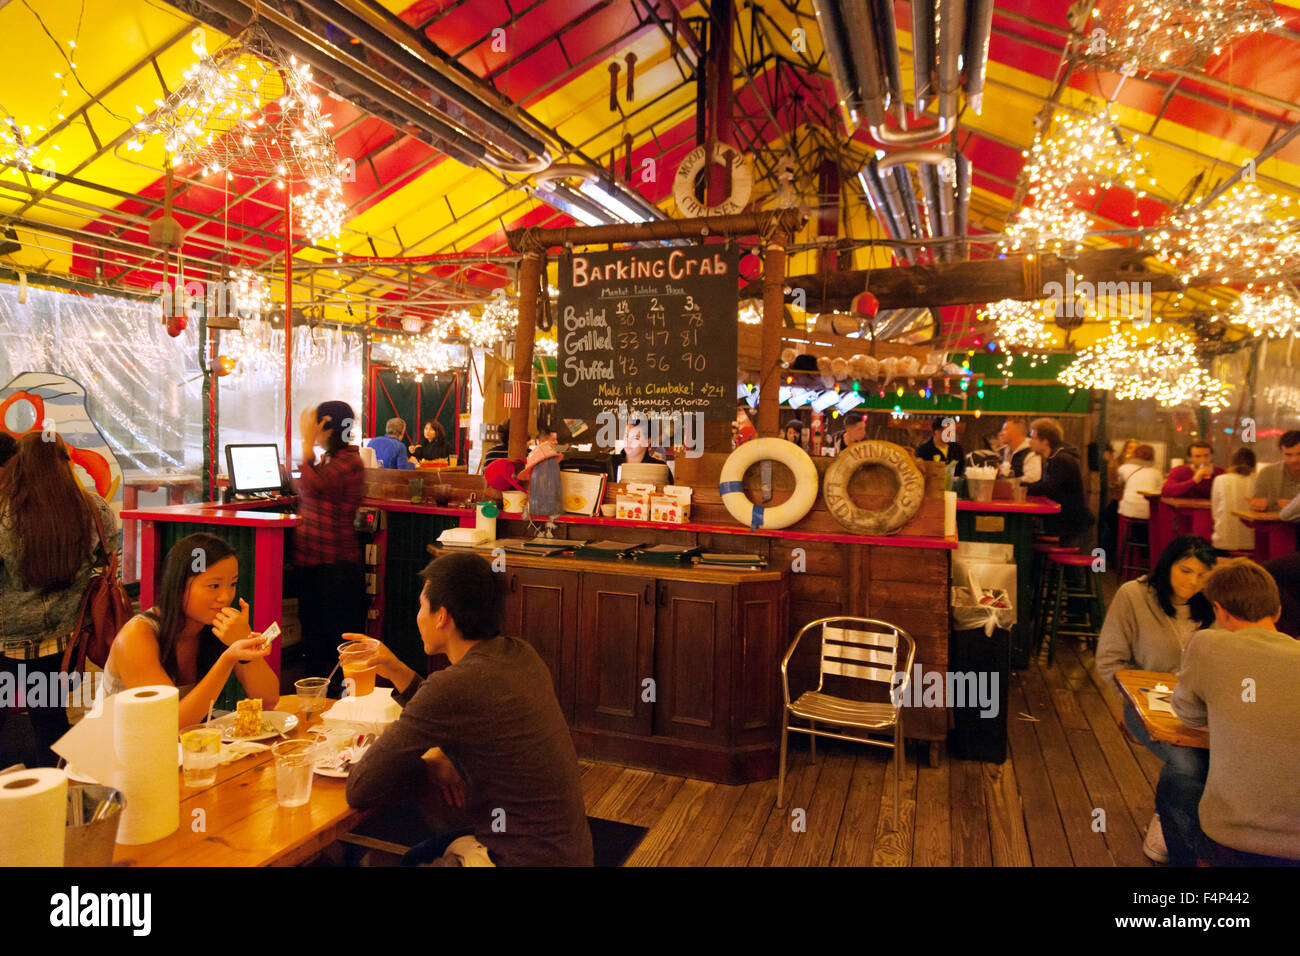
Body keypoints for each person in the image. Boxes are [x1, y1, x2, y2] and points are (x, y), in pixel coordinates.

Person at [345, 552, 593, 866]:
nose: (418, 614)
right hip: (567, 854)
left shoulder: (454, 686)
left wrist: (424, 762)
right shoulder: (521, 654)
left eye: (422, 605)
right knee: (412, 853)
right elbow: (453, 707)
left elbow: (359, 789)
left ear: (442, 616)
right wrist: (396, 669)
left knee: (393, 860)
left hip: (518, 859)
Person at [1159, 559, 1300, 866]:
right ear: (1277, 611)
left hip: (1232, 840)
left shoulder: (1208, 644)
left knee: (1174, 784)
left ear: (1220, 611)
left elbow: (1188, 716)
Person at [1095, 535, 1216, 863]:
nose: (1194, 582)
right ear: (1167, 565)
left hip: (1203, 709)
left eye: (1203, 575)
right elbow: (1109, 662)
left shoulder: (1214, 602)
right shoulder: (1133, 595)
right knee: (1188, 762)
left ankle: (1200, 826)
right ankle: (1175, 832)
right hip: (1144, 705)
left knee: (1227, 757)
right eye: (1186, 570)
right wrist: (1137, 697)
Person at [0, 433, 119, 765]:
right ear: (67, 462)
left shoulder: (4, 512)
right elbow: (108, 561)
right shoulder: (94, 508)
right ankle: (55, 800)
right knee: (49, 720)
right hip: (63, 645)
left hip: (6, 645)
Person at [101, 533, 278, 726]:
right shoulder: (137, 635)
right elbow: (169, 723)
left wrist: (245, 650)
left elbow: (268, 700)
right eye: (214, 586)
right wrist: (228, 658)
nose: (225, 597)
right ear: (178, 586)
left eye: (232, 584)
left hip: (181, 747)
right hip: (115, 749)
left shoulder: (217, 627)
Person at [295, 402, 366, 684]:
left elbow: (312, 486)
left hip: (337, 569)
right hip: (316, 565)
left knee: (337, 643)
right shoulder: (330, 460)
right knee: (313, 638)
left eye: (315, 424)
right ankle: (312, 704)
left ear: (326, 426)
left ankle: (341, 706)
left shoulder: (349, 462)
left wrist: (304, 443)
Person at [1025, 417, 1093, 545]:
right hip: (1064, 523)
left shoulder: (1061, 459)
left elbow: (1047, 488)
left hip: (1070, 527)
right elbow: (1044, 486)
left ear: (1045, 441)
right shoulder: (1055, 457)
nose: (1030, 442)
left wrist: (1020, 488)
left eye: (1033, 438)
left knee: (1027, 537)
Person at [1210, 447, 1256, 553]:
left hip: (1223, 541)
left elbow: (1215, 513)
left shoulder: (1220, 479)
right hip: (1251, 542)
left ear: (1232, 462)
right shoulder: (1257, 479)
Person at [1249, 429, 1300, 512]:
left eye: (1299, 454)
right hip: (1275, 524)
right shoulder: (1267, 474)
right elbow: (1255, 508)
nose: (1294, 460)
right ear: (1281, 453)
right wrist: (1258, 506)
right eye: (1288, 455)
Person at [1117, 444, 1162, 520]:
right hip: (1149, 512)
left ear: (1134, 454)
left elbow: (1119, 483)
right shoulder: (1157, 472)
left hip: (1129, 510)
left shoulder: (1124, 468)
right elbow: (1159, 490)